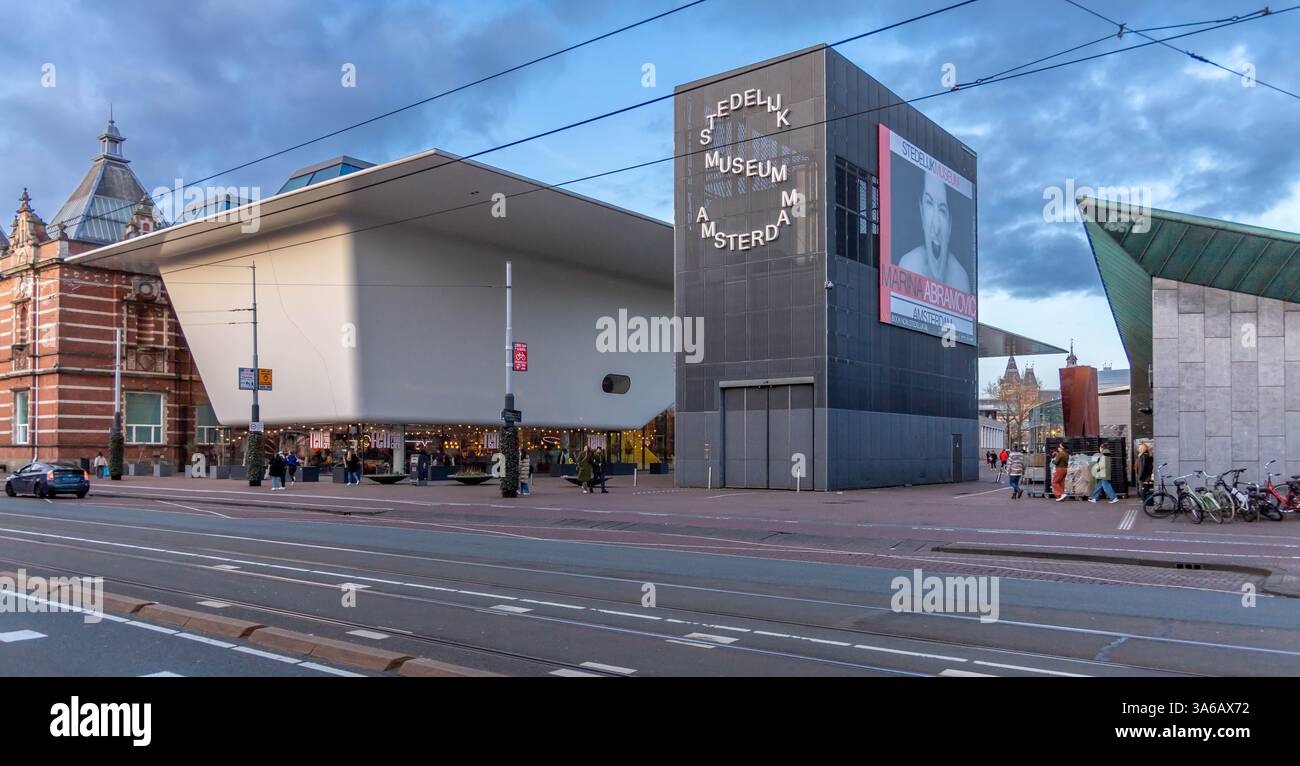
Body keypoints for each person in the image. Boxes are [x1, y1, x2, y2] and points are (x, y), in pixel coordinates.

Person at [897, 172, 972, 293]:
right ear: (921, 212)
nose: (936, 227)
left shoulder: (961, 281)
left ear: (950, 224)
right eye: (929, 203)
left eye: (942, 210)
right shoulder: (908, 268)